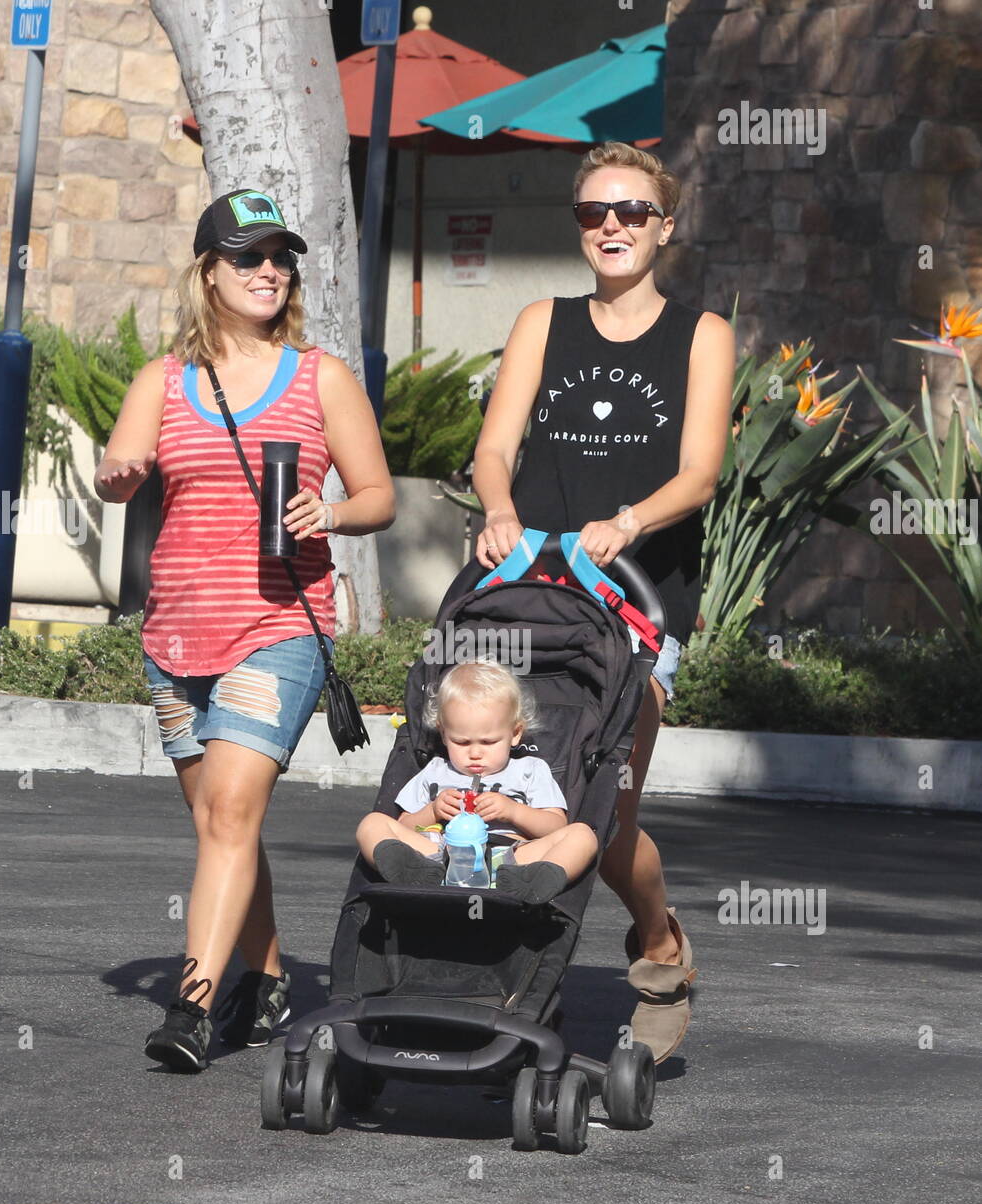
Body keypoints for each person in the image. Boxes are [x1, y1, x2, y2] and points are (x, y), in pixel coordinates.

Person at [95, 188, 395, 1072]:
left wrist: (329, 513)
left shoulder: (321, 377)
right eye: (248, 257)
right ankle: (266, 978)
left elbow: (379, 495)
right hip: (174, 638)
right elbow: (121, 472)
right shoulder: (163, 380)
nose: (270, 271)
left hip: (278, 628)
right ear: (207, 272)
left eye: (281, 258)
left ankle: (193, 1007)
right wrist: (119, 476)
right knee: (223, 824)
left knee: (230, 812)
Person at [471, 143, 734, 1061]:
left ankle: (660, 946)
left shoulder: (700, 334)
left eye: (630, 211)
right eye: (592, 213)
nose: (611, 225)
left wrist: (628, 520)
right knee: (494, 787)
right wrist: (499, 509)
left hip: (636, 601)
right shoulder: (543, 321)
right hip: (529, 592)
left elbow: (701, 472)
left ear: (666, 225)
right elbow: (494, 447)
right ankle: (491, 977)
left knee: (607, 806)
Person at [356, 661, 597, 904]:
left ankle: (532, 882)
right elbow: (404, 825)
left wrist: (513, 811)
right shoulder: (436, 770)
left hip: (510, 858)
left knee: (582, 835)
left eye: (488, 742)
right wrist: (433, 811)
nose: (475, 754)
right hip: (442, 856)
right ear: (443, 734)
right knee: (372, 823)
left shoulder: (530, 770)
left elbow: (556, 826)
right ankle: (414, 873)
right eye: (461, 742)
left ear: (515, 734)